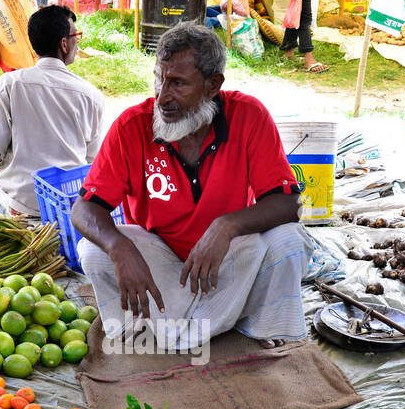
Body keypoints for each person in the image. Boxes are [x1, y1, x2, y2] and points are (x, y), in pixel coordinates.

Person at [70, 23, 307, 352]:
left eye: (178, 83)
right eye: (160, 79)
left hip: (227, 260)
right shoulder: (131, 125)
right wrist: (120, 250)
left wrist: (226, 226)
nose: (162, 96)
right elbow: (84, 209)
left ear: (213, 85)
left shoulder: (249, 116)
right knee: (94, 251)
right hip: (161, 260)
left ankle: (241, 325)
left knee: (289, 241)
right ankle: (220, 323)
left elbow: (287, 205)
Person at [0, 5, 104, 216]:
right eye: (76, 36)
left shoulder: (9, 84)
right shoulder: (91, 95)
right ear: (64, 44)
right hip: (67, 203)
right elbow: (92, 160)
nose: (77, 41)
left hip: (21, 203)